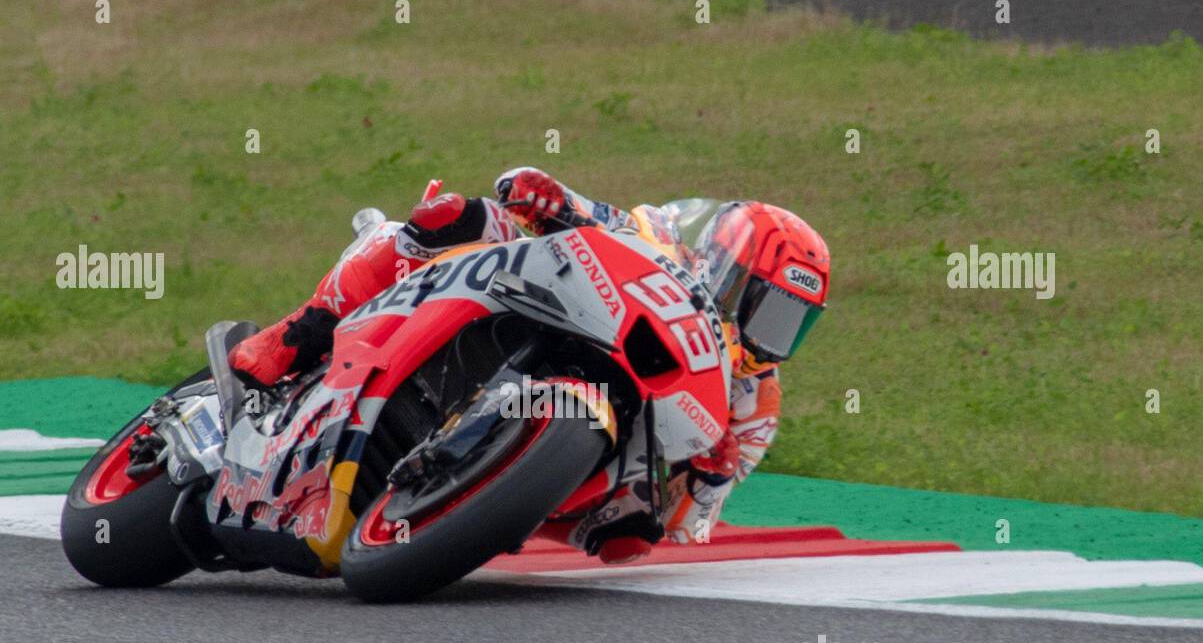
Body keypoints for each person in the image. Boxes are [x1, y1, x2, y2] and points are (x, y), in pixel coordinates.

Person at [229, 169, 830, 563]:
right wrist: (550, 198)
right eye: (769, 310)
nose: (770, 339)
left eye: (792, 325)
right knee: (457, 217)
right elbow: (596, 218)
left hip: (589, 469)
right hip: (556, 311)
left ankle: (474, 494)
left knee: (627, 534)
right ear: (730, 269)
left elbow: (683, 530)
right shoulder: (665, 239)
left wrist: (709, 480)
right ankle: (295, 333)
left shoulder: (754, 407)